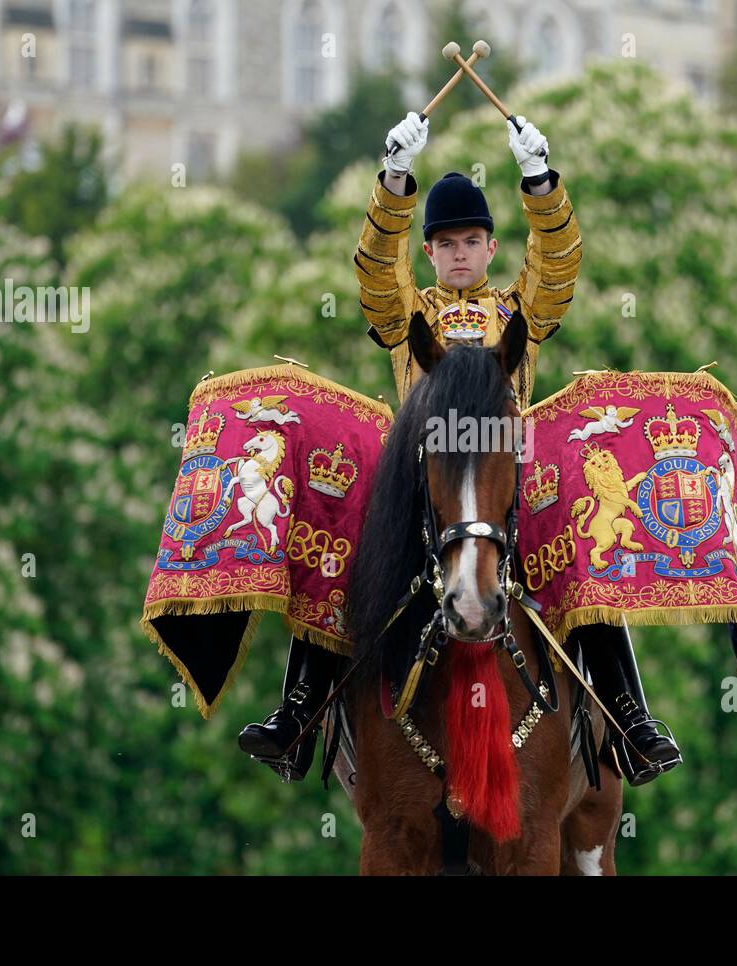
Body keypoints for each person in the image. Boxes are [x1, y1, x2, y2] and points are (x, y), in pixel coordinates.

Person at [238, 111, 682, 785]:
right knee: (340, 547)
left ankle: (630, 717)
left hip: (508, 474)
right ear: (431, 253)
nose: (459, 254)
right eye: (445, 244)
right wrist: (393, 181)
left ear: (492, 248)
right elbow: (374, 271)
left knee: (588, 551)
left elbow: (558, 265)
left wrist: (539, 181)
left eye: (472, 241)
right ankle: (297, 714)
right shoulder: (409, 315)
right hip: (427, 483)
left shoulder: (516, 313)